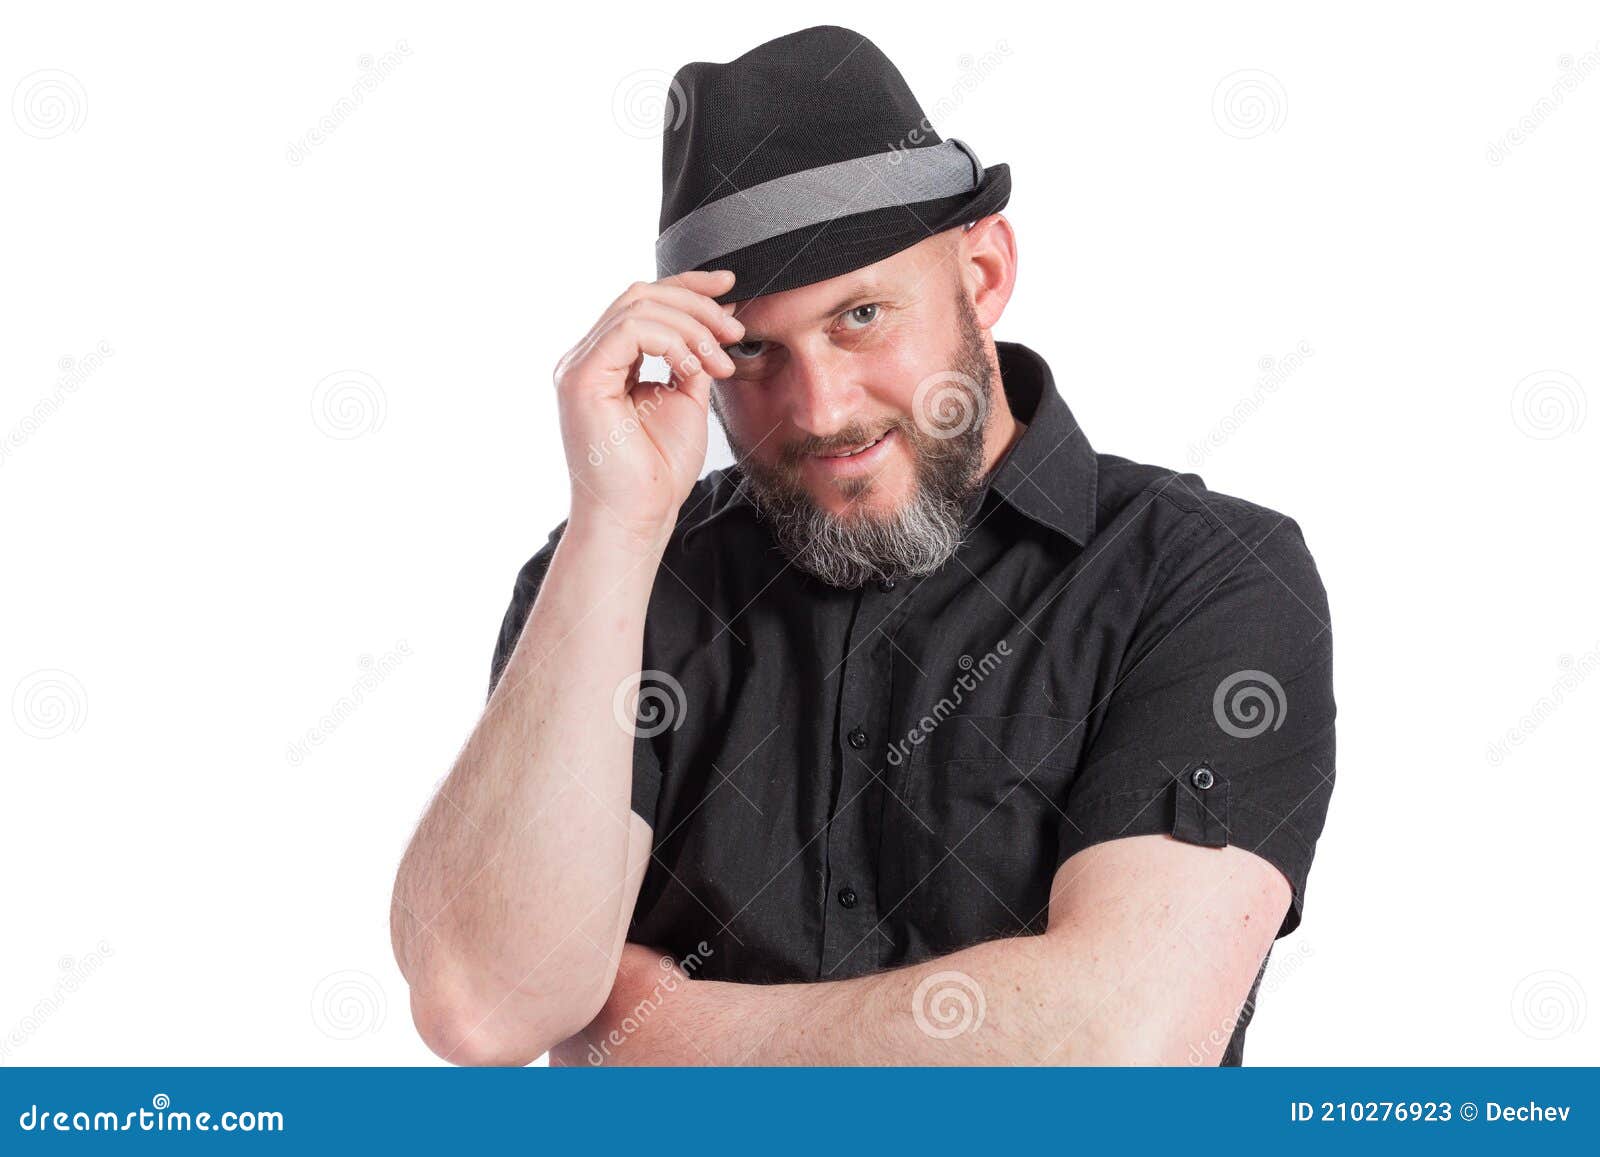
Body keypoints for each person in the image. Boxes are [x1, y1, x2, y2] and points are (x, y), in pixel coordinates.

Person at [389, 25, 1336, 1067]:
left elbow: (1119, 1045)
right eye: (751, 349)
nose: (821, 406)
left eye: (861, 316)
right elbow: (482, 1006)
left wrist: (647, 1037)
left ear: (981, 274)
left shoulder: (1198, 576)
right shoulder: (620, 582)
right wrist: (613, 521)